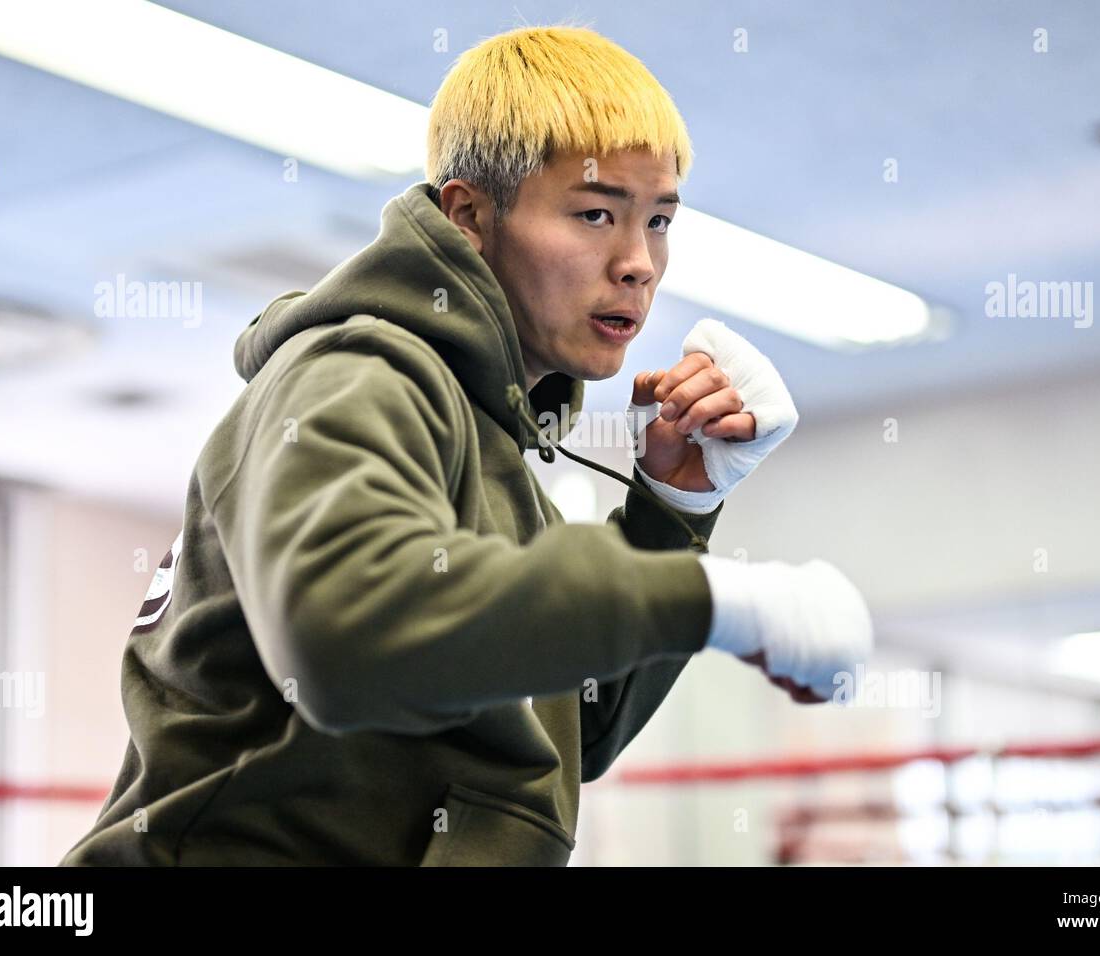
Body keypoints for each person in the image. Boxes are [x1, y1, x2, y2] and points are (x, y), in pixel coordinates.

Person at [60, 24, 872, 867]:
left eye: (658, 220)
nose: (638, 263)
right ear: (471, 216)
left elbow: (567, 731)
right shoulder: (360, 372)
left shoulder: (493, 446)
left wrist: (675, 504)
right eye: (596, 213)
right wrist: (712, 598)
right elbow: (344, 640)